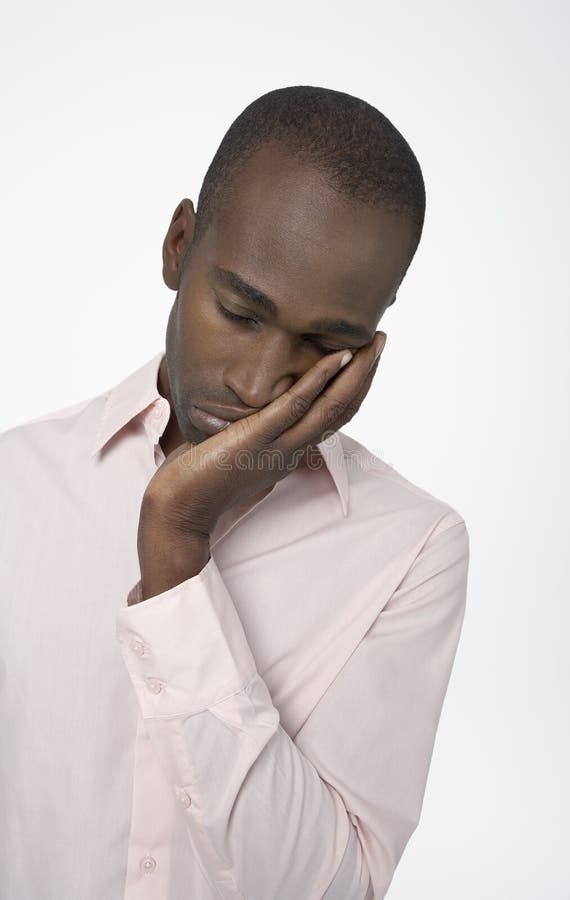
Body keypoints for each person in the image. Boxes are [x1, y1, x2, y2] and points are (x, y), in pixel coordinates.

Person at [0, 85, 470, 899]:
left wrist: (178, 547)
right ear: (179, 244)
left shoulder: (412, 550)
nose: (257, 383)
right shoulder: (15, 483)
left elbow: (329, 889)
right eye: (240, 313)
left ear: (371, 347)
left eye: (326, 344)